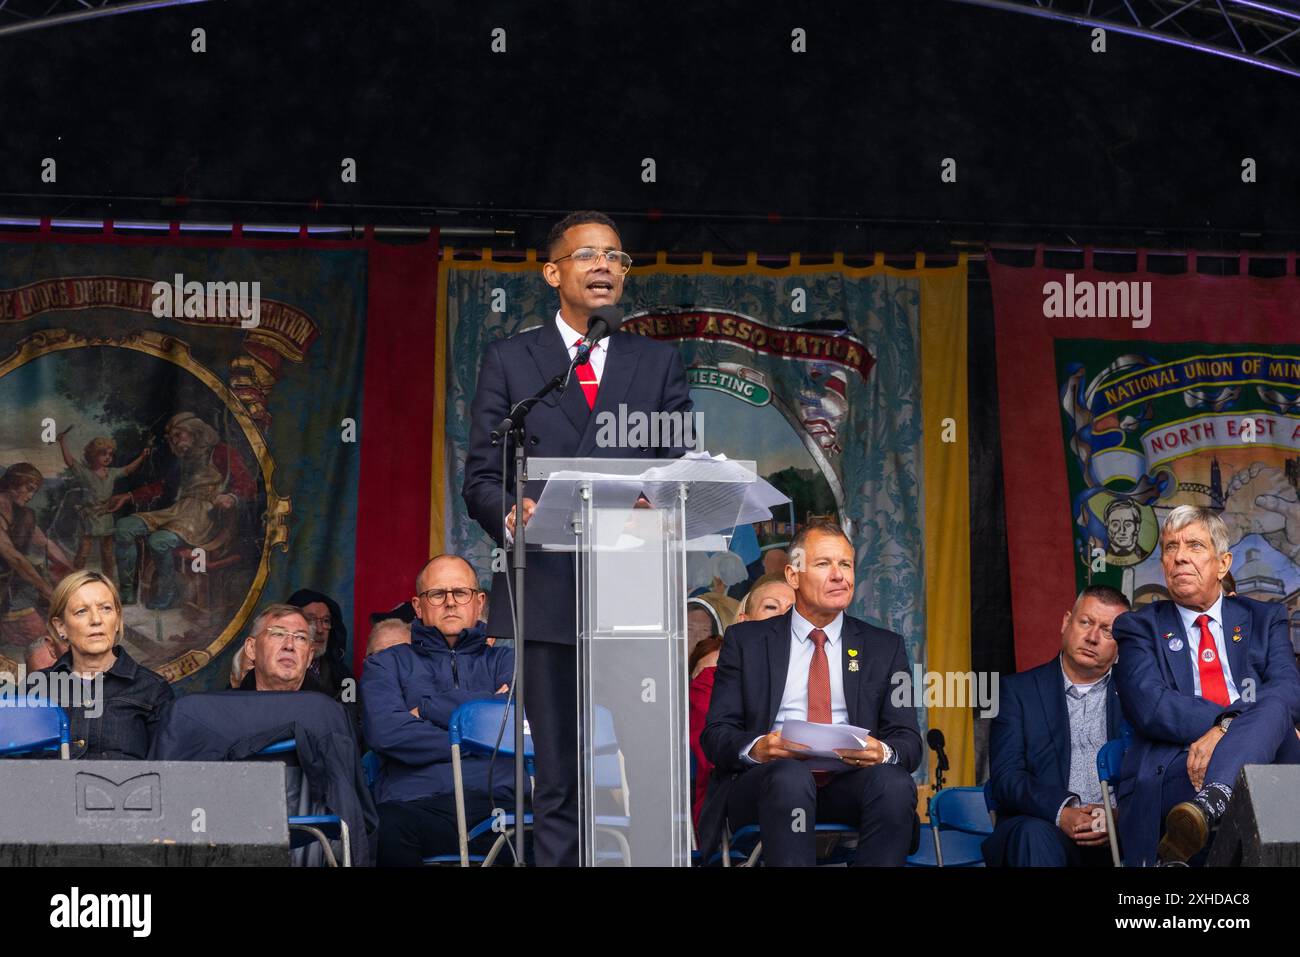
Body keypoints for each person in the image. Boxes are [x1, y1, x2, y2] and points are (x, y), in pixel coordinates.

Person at [461, 210, 693, 866]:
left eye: (615, 256)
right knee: (559, 776)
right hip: (549, 590)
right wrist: (510, 512)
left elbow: (679, 462)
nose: (603, 266)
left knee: (649, 768)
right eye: (587, 254)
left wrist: (654, 498)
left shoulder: (657, 361)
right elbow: (481, 476)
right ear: (551, 270)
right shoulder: (512, 360)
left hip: (635, 593)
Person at [698, 521, 922, 865]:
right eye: (823, 564)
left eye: (845, 564)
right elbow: (716, 735)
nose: (839, 575)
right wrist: (760, 747)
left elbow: (908, 742)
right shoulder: (748, 643)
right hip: (767, 785)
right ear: (792, 575)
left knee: (892, 782)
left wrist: (882, 752)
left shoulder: (883, 647)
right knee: (789, 776)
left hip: (848, 783)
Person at [1113, 505, 1300, 865]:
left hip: (1266, 763)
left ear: (1223, 563)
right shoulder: (1138, 628)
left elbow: (1289, 692)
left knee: (1277, 711)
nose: (1180, 556)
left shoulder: (1265, 618)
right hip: (1178, 765)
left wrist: (1226, 729)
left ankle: (1214, 799)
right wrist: (1234, 724)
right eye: (1170, 547)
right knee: (1271, 793)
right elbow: (1151, 707)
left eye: (1194, 545)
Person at [361, 555, 516, 866]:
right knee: (387, 826)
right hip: (417, 802)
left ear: (478, 602)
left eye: (460, 593)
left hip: (500, 801)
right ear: (418, 607)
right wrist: (483, 724)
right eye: (437, 594)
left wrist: (429, 709)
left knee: (552, 825)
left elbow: (519, 724)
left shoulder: (508, 662)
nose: (450, 603)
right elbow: (388, 733)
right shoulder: (385, 663)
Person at [983, 585, 1129, 866]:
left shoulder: (1137, 695)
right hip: (1043, 827)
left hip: (1119, 831)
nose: (1092, 637)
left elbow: (1152, 771)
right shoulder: (1016, 692)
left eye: (1107, 631)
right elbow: (1006, 778)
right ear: (1066, 622)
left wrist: (1117, 815)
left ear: (1121, 642)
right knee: (1033, 834)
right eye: (1085, 622)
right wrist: (1064, 811)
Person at [111, 411, 255, 609]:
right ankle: (126, 592)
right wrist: (128, 496)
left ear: (194, 431)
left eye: (179, 434)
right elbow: (163, 486)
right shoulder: (185, 459)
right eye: (172, 438)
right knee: (124, 526)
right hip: (179, 510)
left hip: (205, 515)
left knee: (159, 541)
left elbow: (247, 483)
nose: (175, 441)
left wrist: (230, 497)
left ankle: (168, 593)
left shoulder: (220, 452)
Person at [689, 574, 794, 829]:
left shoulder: (817, 679)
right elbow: (712, 757)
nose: (783, 617)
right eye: (771, 607)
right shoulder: (711, 681)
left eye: (793, 611)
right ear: (743, 622)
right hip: (739, 802)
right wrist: (761, 748)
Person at [34, 570, 173, 759]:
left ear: (117, 620)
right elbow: (15, 770)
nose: (96, 620)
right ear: (61, 627)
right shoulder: (35, 687)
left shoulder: (153, 690)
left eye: (105, 608)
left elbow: (165, 774)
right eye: (81, 611)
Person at [57, 428, 151, 577]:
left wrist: (142, 456)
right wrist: (62, 442)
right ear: (93, 455)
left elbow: (128, 469)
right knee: (83, 551)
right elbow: (70, 462)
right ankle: (75, 579)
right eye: (103, 454)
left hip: (106, 514)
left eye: (110, 454)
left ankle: (109, 580)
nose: (108, 457)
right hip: (90, 515)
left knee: (107, 552)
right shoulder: (85, 472)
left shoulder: (112, 473)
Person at [0, 463, 73, 649]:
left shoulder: (23, 515)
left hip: (10, 587)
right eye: (28, 489)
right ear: (12, 484)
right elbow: (15, 558)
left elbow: (46, 544)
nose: (31, 495)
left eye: (35, 491)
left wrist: (72, 573)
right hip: (6, 590)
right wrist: (45, 589)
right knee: (41, 637)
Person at [237, 604, 324, 693]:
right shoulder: (227, 705)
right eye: (278, 634)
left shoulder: (327, 706)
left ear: (309, 656)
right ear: (251, 648)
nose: (289, 645)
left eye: (300, 637)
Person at [287, 588, 355, 699]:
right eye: (310, 619)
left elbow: (352, 712)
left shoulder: (344, 676)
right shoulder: (276, 669)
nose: (319, 630)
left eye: (326, 621)